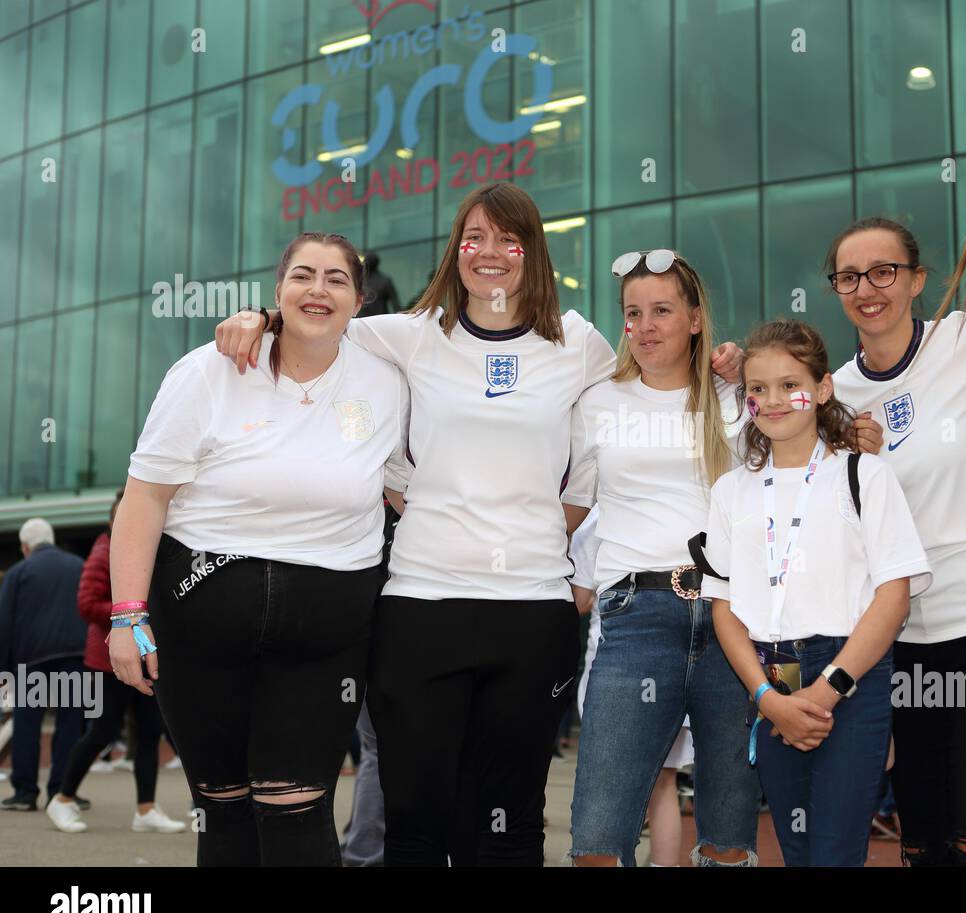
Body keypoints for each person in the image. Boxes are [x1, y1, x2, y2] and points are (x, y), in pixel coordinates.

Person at [213, 186, 743, 867]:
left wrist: (727, 367)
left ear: (532, 254)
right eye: (474, 238)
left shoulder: (576, 343)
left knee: (509, 824)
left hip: (531, 613)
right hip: (420, 609)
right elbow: (319, 320)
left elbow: (626, 426)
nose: (489, 253)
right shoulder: (411, 335)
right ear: (455, 250)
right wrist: (258, 316)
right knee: (414, 820)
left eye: (507, 240)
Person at [111, 231, 409, 866]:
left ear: (359, 300)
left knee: (298, 811)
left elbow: (412, 492)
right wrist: (127, 616)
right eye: (304, 276)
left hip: (325, 637)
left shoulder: (388, 383)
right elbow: (145, 497)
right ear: (278, 293)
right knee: (222, 809)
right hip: (199, 620)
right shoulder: (208, 371)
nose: (318, 290)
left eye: (336, 279)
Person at [825, 217, 966, 866]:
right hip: (904, 635)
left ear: (918, 280)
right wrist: (849, 462)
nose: (868, 288)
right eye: (849, 276)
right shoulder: (836, 397)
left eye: (885, 271)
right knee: (922, 841)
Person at [704, 319, 932, 867]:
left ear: (823, 388)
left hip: (849, 676)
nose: (773, 400)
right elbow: (725, 609)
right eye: (757, 389)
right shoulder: (731, 490)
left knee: (835, 851)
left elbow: (893, 598)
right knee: (797, 847)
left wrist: (830, 689)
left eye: (789, 384)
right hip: (773, 676)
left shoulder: (864, 476)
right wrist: (767, 699)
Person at [563, 250, 759, 867]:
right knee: (599, 836)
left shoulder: (738, 399)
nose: (645, 327)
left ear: (696, 318)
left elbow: (805, 440)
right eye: (632, 313)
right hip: (634, 617)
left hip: (732, 616)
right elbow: (570, 504)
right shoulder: (597, 401)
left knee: (728, 837)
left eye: (662, 311)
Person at [47, 490, 187, 834]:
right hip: (108, 660)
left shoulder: (152, 550)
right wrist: (128, 617)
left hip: (146, 658)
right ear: (117, 519)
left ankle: (146, 810)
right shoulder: (103, 551)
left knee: (150, 734)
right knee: (102, 732)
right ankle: (62, 799)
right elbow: (86, 602)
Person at [570, 506, 695, 867]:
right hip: (680, 657)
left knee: (609, 788)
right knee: (663, 785)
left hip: (617, 668)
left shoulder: (606, 513)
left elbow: (578, 598)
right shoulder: (685, 510)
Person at [0, 519, 87, 812]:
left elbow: (5, 623)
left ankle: (25, 792)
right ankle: (62, 792)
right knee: (70, 726)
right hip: (76, 657)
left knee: (27, 726)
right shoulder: (78, 566)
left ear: (25, 546)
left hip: (31, 662)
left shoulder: (17, 572)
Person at [358, 251, 401, 317]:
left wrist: (399, 318)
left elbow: (395, 303)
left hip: (379, 319)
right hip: (363, 319)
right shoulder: (361, 280)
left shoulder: (385, 280)